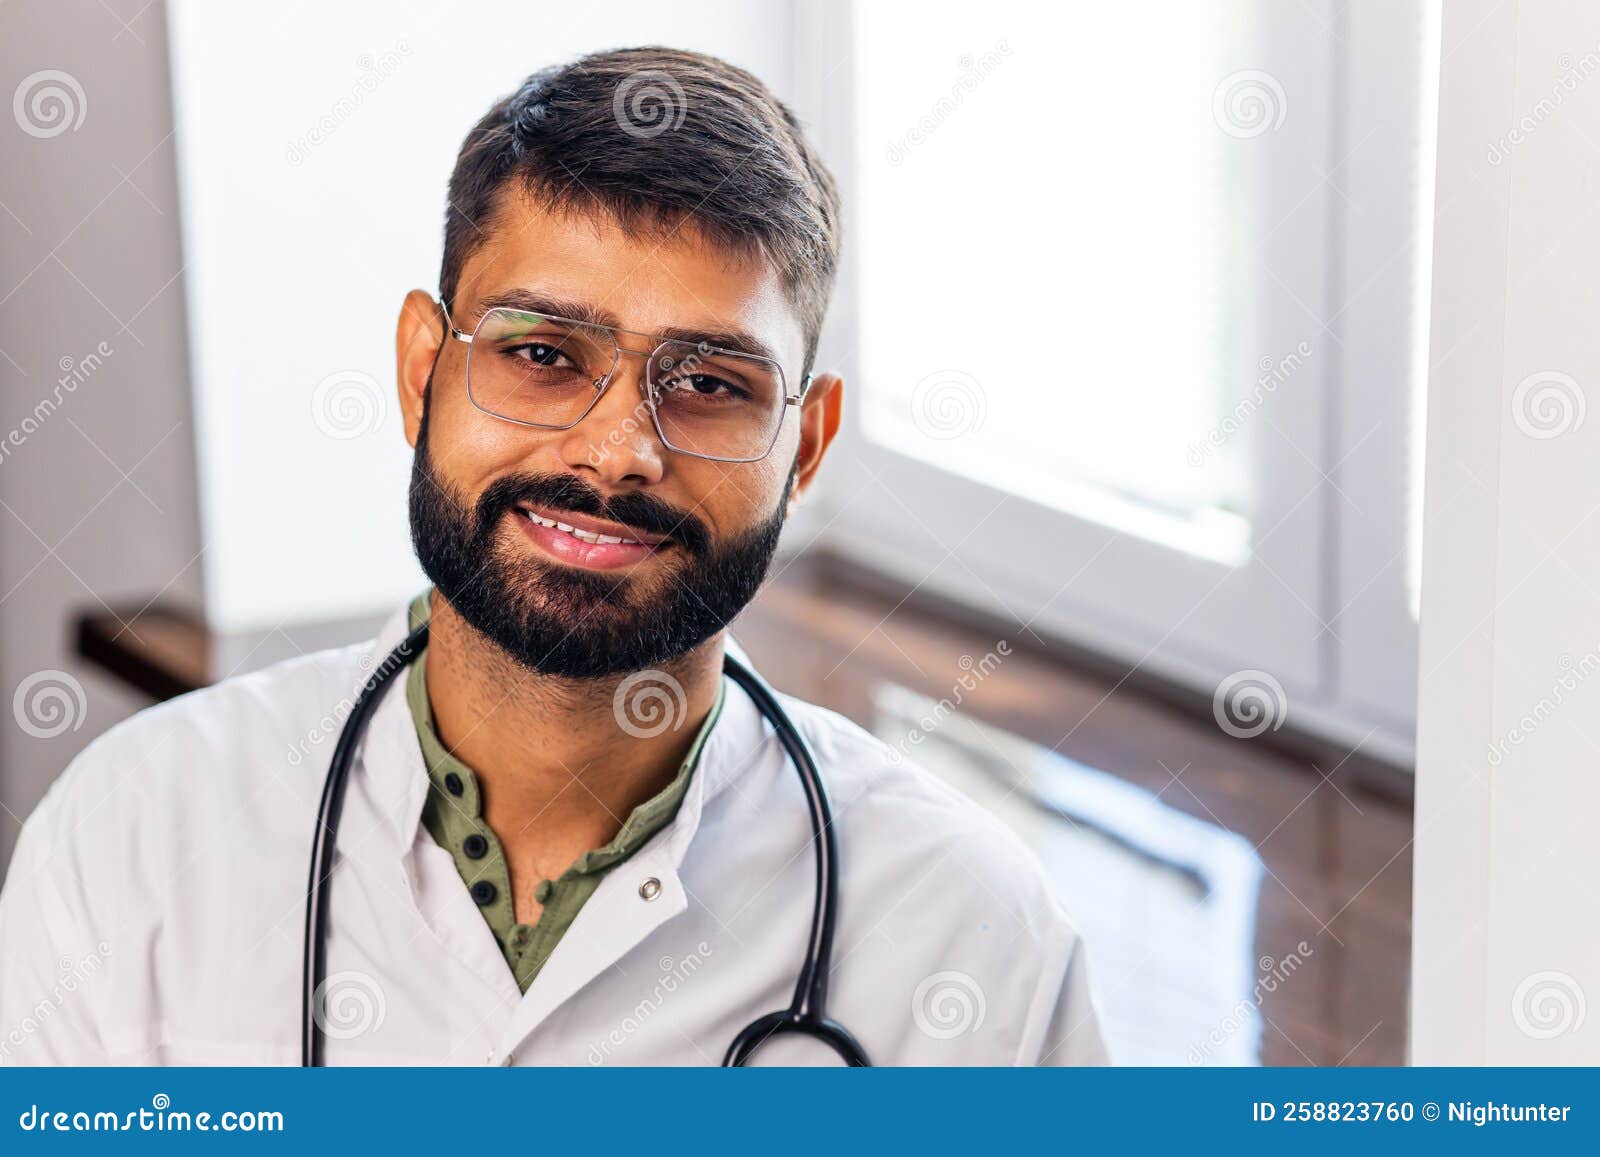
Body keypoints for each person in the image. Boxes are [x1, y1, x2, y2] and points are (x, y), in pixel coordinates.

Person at [0, 46, 1106, 1066]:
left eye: (711, 382)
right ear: (420, 371)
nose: (617, 451)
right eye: (541, 353)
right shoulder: (134, 832)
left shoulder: (976, 934)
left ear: (804, 445)